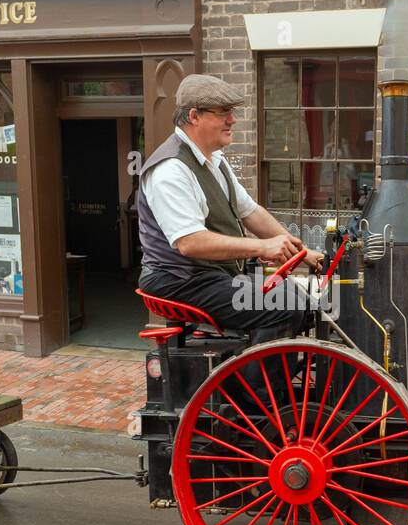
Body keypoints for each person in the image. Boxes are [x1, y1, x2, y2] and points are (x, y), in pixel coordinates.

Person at [137, 74, 324, 337]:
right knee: (285, 304)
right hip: (180, 281)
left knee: (297, 295)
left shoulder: (215, 160)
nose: (232, 120)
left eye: (231, 112)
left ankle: (267, 371)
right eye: (224, 112)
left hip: (210, 275)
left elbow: (251, 212)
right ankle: (254, 380)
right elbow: (189, 242)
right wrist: (262, 246)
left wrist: (302, 253)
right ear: (194, 116)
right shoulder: (171, 169)